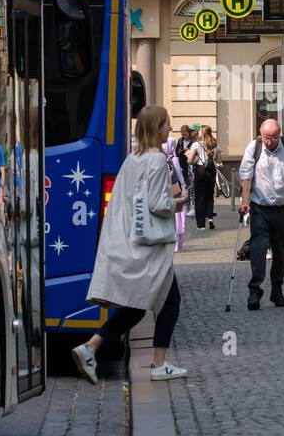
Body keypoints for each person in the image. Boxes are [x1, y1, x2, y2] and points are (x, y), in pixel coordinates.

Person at [72, 106, 188, 384]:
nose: (169, 129)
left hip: (132, 243)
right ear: (156, 127)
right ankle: (158, 364)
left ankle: (90, 347)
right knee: (169, 302)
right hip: (152, 248)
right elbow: (157, 204)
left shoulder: (132, 160)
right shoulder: (158, 161)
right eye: (166, 124)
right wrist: (179, 202)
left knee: (138, 304)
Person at [238, 118, 284, 310]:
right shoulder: (254, 147)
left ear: (279, 135)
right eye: (266, 137)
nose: (269, 141)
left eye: (273, 138)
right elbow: (246, 176)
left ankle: (277, 291)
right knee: (259, 247)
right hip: (259, 207)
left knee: (280, 251)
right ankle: (255, 291)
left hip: (283, 207)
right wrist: (245, 201)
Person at [186, 126, 213, 229]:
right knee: (209, 195)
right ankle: (210, 217)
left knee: (200, 197)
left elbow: (189, 161)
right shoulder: (214, 143)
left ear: (203, 133)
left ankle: (201, 225)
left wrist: (193, 159)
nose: (198, 133)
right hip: (211, 171)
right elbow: (219, 160)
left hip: (200, 170)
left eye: (200, 132)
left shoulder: (196, 144)